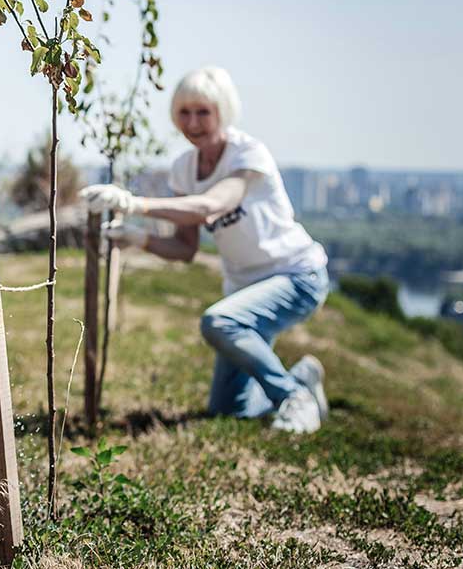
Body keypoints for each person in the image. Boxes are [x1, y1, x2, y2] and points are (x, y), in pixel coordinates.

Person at [80, 66, 331, 434]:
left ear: (222, 112)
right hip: (245, 291)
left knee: (220, 322)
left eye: (203, 112)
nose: (193, 122)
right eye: (184, 112)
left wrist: (132, 203)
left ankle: (294, 398)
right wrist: (137, 239)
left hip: (297, 276)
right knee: (231, 409)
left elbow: (210, 206)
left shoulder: (247, 155)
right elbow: (185, 248)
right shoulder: (184, 168)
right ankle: (301, 379)